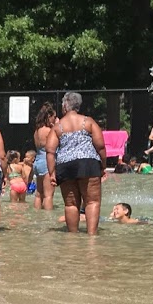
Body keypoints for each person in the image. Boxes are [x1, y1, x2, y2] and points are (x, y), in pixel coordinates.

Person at [47, 91, 106, 235]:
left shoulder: (57, 126)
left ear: (65, 106)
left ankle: (72, 238)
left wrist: (52, 173)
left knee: (71, 204)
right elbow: (100, 146)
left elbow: (50, 151)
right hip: (89, 163)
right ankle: (92, 237)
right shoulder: (88, 121)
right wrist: (103, 166)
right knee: (92, 202)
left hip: (66, 166)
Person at [32, 103, 57, 209]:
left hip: (37, 162)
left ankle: (37, 215)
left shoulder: (36, 131)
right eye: (54, 117)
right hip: (47, 163)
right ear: (48, 116)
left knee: (39, 194)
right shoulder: (49, 131)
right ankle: (48, 219)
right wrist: (56, 126)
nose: (55, 119)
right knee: (48, 195)